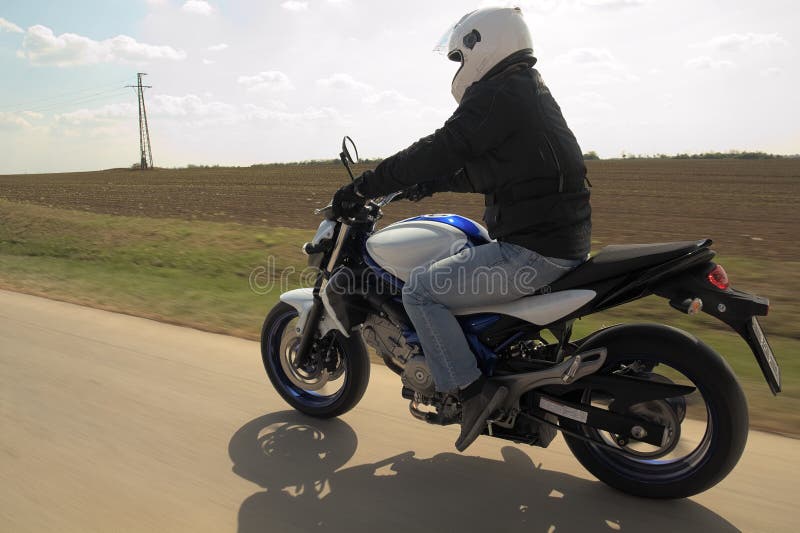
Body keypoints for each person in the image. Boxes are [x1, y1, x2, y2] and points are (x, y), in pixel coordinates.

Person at [332, 7, 592, 452]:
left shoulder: (500, 92)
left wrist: (366, 186)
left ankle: (472, 394)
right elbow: (486, 171)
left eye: (457, 57)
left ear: (481, 44)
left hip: (533, 252)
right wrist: (426, 186)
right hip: (554, 240)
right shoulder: (524, 92)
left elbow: (443, 147)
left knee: (419, 292)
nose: (457, 67)